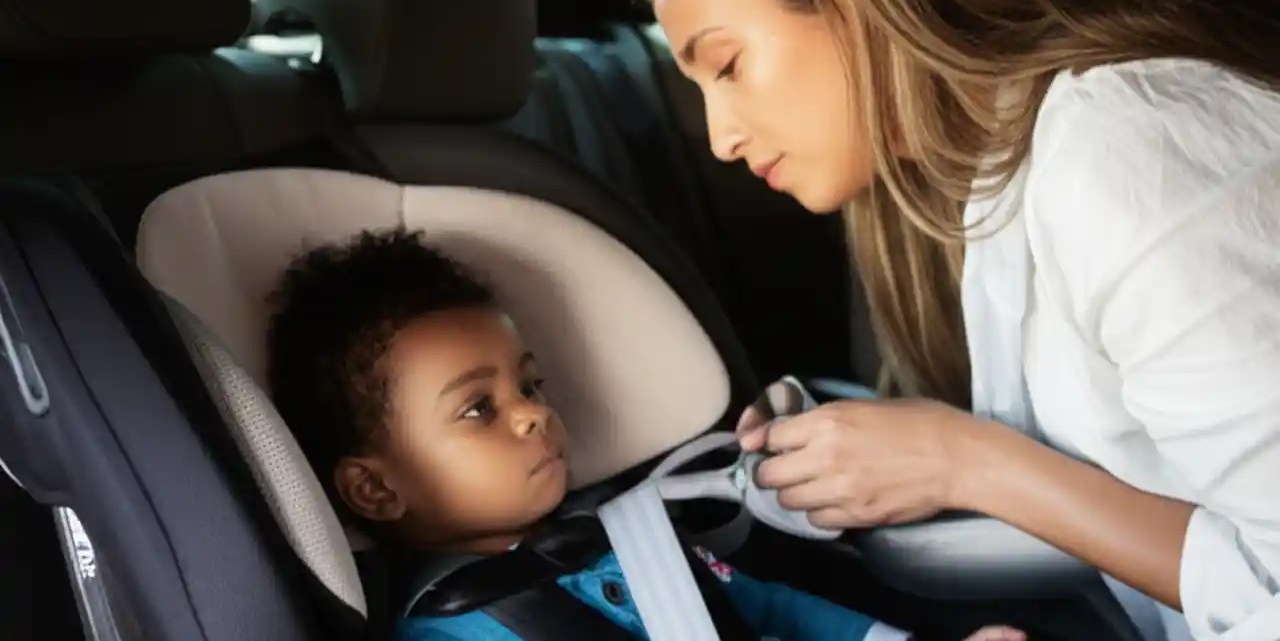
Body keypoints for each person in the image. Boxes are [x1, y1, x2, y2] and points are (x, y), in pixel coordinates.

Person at [644, 0, 1280, 640]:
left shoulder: (1127, 150)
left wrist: (965, 463)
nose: (721, 135)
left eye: (727, 66)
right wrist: (870, 456)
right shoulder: (999, 170)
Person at [264, 229, 1021, 641]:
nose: (532, 413)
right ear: (375, 487)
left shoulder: (628, 538)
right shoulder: (454, 632)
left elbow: (777, 613)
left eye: (530, 385)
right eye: (477, 410)